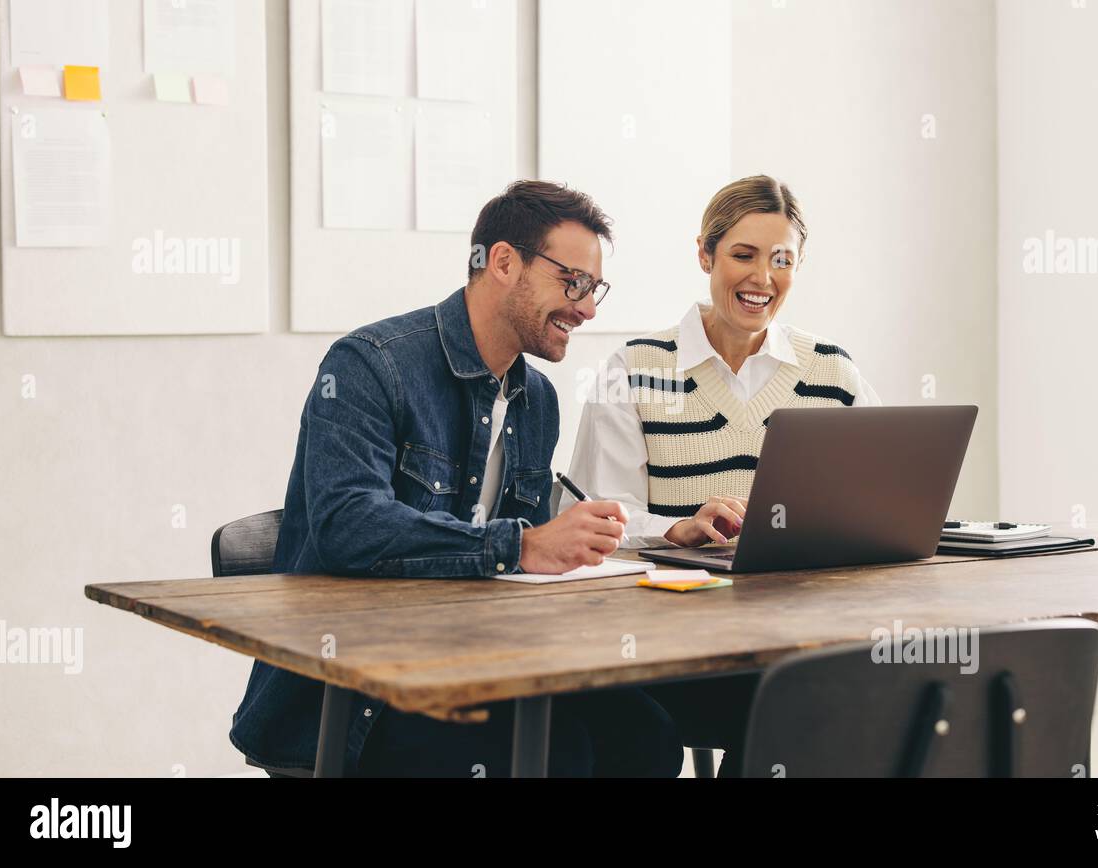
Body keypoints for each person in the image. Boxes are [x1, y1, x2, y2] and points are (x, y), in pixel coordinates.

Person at [230, 181, 682, 778]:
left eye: (594, 289)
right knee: (561, 755)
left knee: (646, 738)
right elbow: (348, 526)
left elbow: (530, 569)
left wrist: (654, 536)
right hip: (357, 690)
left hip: (479, 662)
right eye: (572, 282)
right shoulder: (369, 363)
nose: (587, 308)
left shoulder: (536, 398)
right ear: (502, 261)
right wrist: (518, 545)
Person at [563, 175, 880, 776]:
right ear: (705, 255)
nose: (763, 278)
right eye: (744, 255)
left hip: (799, 637)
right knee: (799, 712)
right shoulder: (634, 369)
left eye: (782, 260)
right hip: (670, 650)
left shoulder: (832, 373)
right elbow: (597, 523)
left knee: (868, 701)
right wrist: (676, 527)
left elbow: (885, 495)